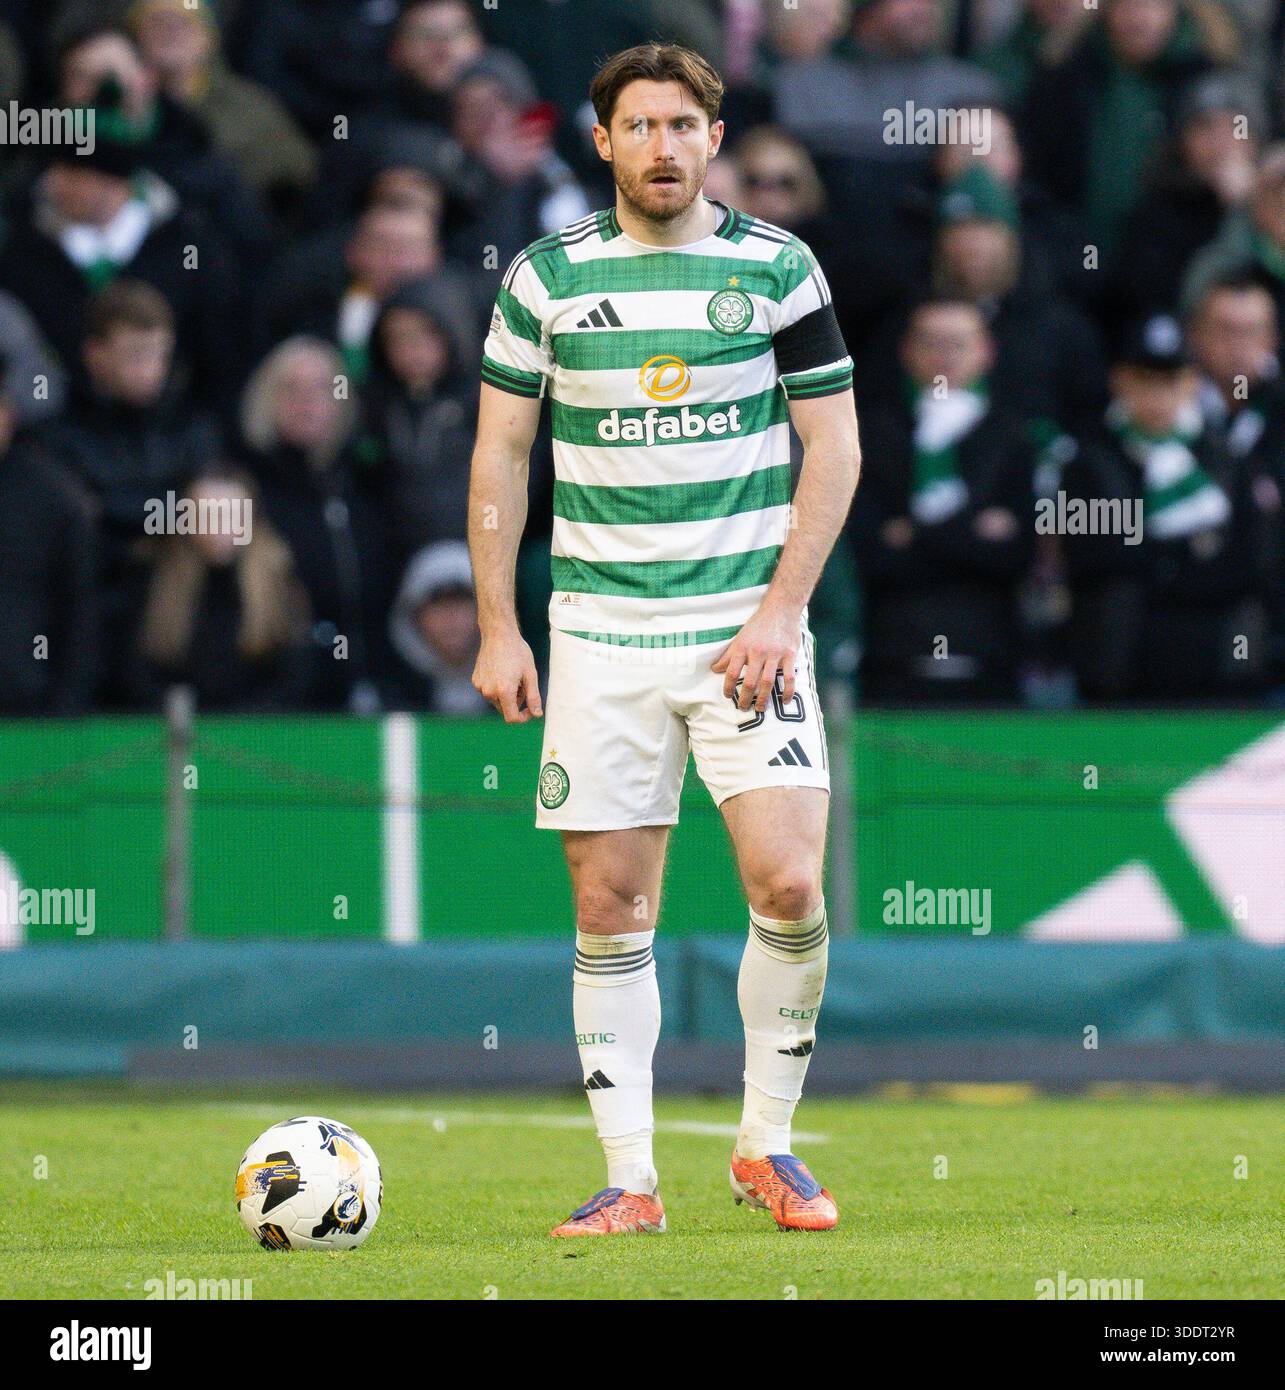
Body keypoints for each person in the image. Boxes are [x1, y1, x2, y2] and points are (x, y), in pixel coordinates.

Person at [469, 44, 860, 1236]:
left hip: (746, 629)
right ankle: (632, 1180)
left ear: (714, 133)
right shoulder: (544, 279)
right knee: (609, 909)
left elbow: (832, 448)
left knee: (789, 882)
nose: (662, 147)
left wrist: (782, 607)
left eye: (682, 125)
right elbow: (499, 456)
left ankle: (765, 1145)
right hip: (600, 632)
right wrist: (499, 625)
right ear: (602, 142)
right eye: (638, 127)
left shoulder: (777, 267)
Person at [1061, 314, 1279, 698]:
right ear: (1119, 381)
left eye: (1171, 381)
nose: (1158, 396)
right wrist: (1191, 549)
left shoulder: (1226, 459)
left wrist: (1148, 549)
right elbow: (1091, 557)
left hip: (1220, 671)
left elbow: (1251, 561)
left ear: (1192, 383)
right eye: (1145, 381)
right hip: (1118, 671)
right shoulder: (1089, 461)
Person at [848, 297, 1035, 702]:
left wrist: (914, 533)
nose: (944, 356)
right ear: (907, 351)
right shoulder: (872, 434)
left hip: (992, 651)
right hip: (893, 652)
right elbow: (870, 555)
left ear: (987, 351)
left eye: (958, 343)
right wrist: (973, 533)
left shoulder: (1014, 437)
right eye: (932, 342)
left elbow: (1016, 557)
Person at [386, 540, 487, 713]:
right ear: (413, 616)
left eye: (462, 602)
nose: (451, 617)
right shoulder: (388, 699)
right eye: (438, 604)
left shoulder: (523, 693)